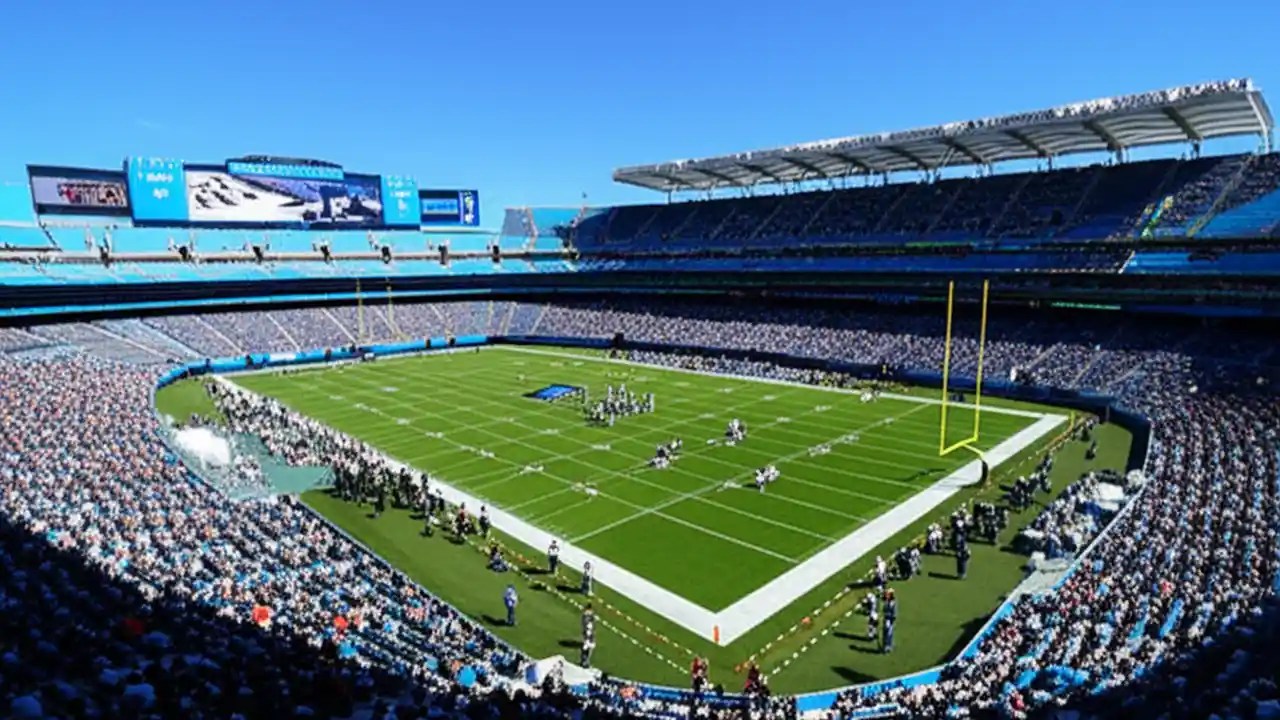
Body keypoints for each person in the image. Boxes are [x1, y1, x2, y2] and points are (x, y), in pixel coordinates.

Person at [882, 588, 897, 653]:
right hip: (886, 619)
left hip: (890, 619)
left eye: (888, 594)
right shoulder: (886, 602)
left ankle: (889, 645)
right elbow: (884, 610)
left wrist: (892, 617)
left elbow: (894, 612)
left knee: (889, 633)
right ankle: (886, 645)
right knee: (885, 633)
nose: (886, 595)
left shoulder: (893, 603)